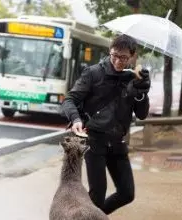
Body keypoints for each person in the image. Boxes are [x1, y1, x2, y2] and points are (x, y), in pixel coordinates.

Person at [61, 34, 150, 215]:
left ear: (132, 56)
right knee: (97, 195)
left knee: (127, 193)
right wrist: (76, 119)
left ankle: (88, 218)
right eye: (114, 55)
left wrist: (141, 93)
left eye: (123, 57)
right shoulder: (93, 73)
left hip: (117, 142)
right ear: (110, 52)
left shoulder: (134, 78)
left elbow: (142, 114)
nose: (118, 61)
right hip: (94, 140)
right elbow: (69, 100)